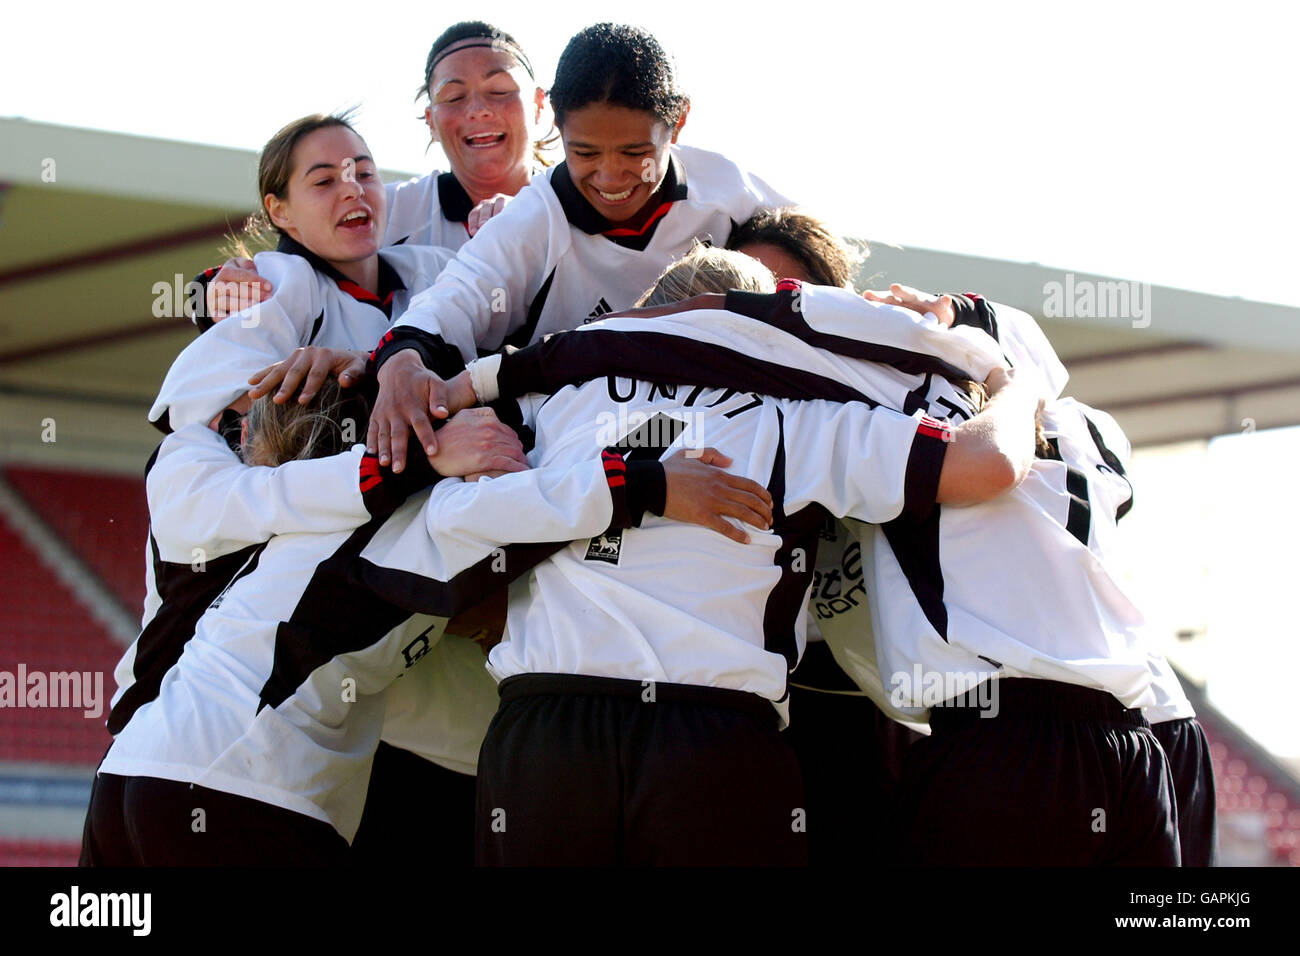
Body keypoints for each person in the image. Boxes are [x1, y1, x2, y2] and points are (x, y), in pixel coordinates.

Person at [385, 248, 1039, 865]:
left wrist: (609, 489)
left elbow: (441, 536)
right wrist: (1014, 383)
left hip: (548, 733)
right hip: (710, 741)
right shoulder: (806, 417)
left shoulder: (546, 398)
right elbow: (991, 464)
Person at [85, 370, 771, 865]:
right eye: (491, 434)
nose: (514, 452)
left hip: (131, 779)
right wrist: (652, 480)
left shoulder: (315, 513)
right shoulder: (412, 520)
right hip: (244, 787)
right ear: (422, 443)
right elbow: (534, 509)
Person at [366, 22, 792, 474]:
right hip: (573, 451)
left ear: (678, 122)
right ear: (555, 119)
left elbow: (817, 268)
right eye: (585, 153)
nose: (610, 178)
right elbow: (455, 299)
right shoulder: (533, 220)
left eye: (634, 153)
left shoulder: (727, 191)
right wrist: (402, 361)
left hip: (716, 425)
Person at [198, 21, 550, 323]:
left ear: (538, 105)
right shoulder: (384, 211)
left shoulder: (584, 203)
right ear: (430, 121)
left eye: (500, 90)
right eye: (454, 96)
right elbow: (280, 278)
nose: (478, 110)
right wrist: (216, 291)